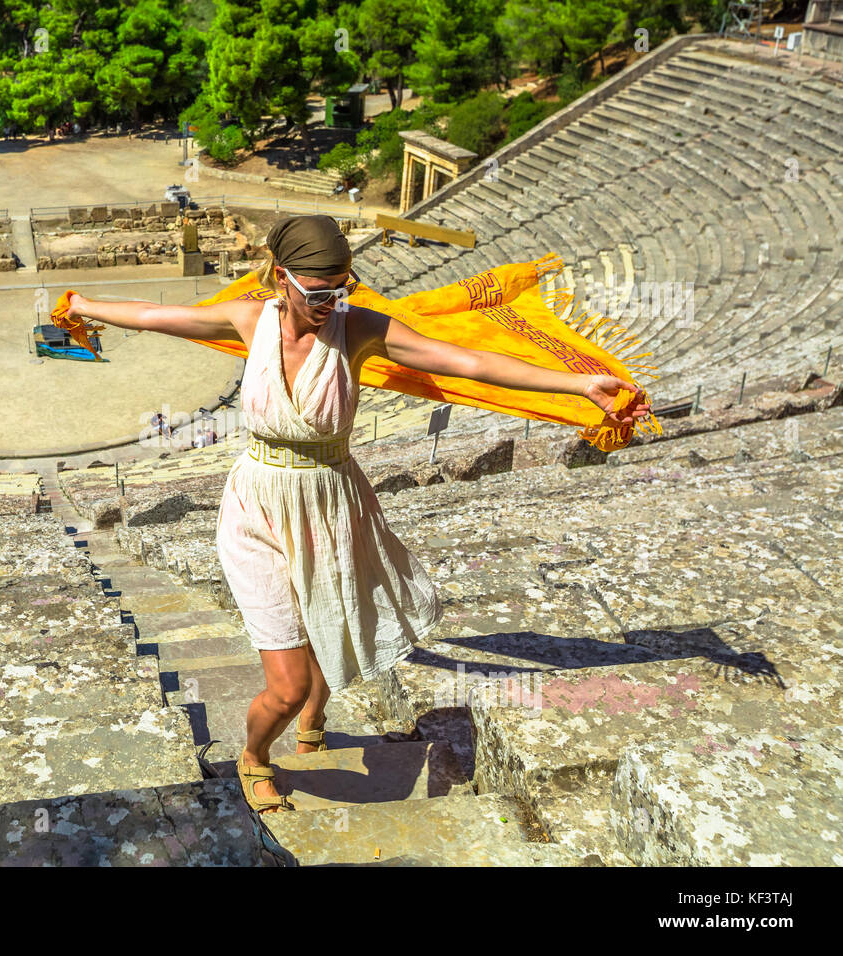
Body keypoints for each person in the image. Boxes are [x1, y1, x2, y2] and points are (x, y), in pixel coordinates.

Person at [62, 215, 650, 814]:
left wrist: (574, 385)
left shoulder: (359, 328)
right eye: (317, 293)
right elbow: (157, 317)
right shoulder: (248, 318)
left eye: (340, 289)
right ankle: (255, 757)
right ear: (279, 278)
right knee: (286, 680)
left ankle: (316, 716)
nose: (329, 305)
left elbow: (463, 361)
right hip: (255, 505)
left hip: (330, 501)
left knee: (324, 623)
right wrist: (82, 303)